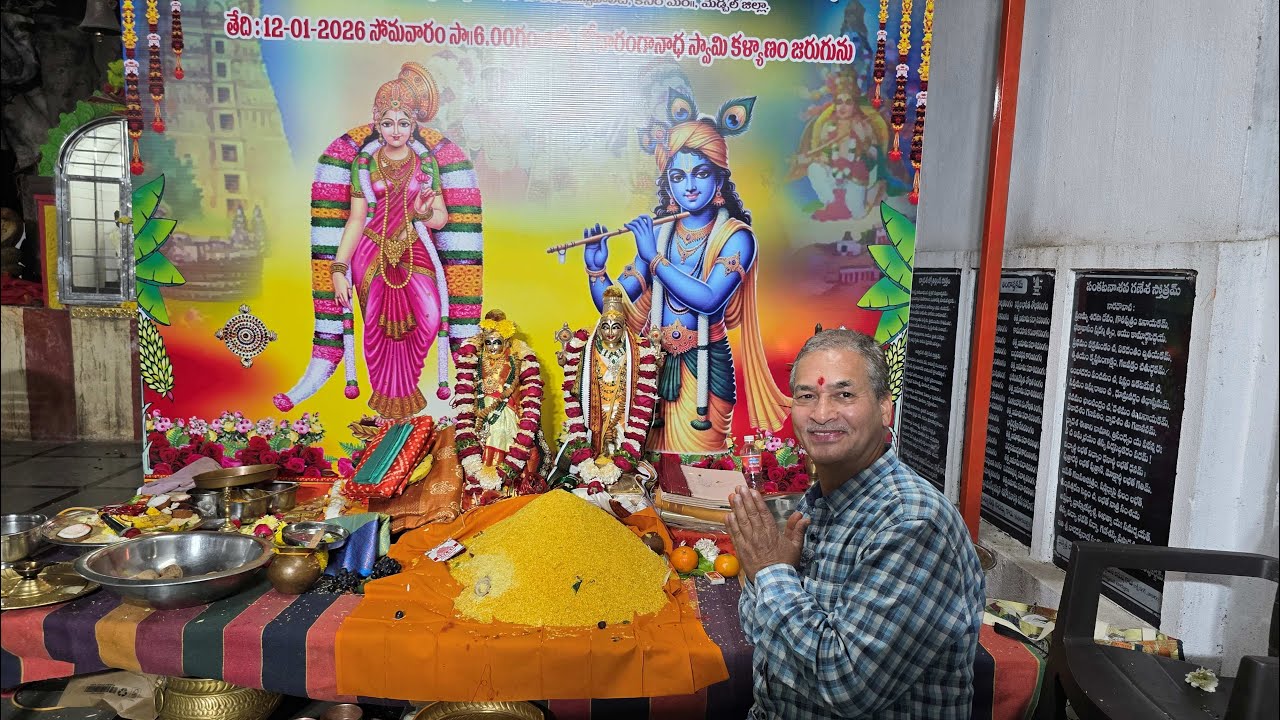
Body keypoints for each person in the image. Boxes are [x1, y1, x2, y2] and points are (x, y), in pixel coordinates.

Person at [727, 329, 985, 719]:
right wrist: (774, 577)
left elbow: (845, 684)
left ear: (885, 409)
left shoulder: (910, 522)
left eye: (844, 394)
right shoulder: (819, 504)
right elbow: (757, 628)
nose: (821, 414)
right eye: (806, 396)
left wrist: (770, 573)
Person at [581, 91, 789, 455]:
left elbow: (708, 300)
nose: (689, 186)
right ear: (669, 185)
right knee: (647, 466)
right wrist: (597, 270)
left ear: (719, 180)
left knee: (700, 466)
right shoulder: (660, 233)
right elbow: (615, 309)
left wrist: (655, 260)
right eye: (678, 176)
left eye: (701, 173)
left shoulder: (736, 238)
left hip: (706, 370)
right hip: (652, 368)